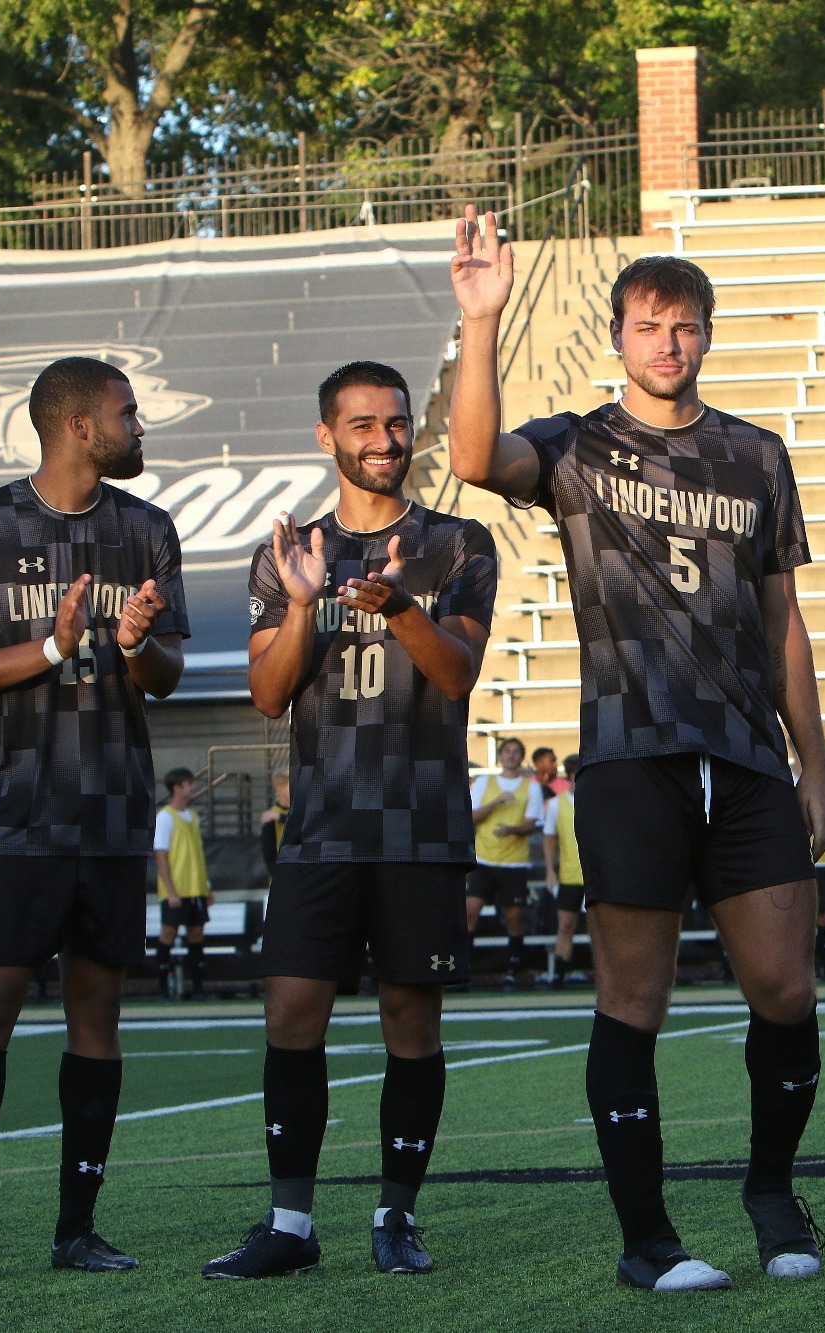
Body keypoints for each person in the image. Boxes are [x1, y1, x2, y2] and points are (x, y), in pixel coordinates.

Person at [449, 211, 825, 1290]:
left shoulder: (756, 454)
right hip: (629, 756)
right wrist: (480, 321)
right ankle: (647, 1239)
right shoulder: (576, 444)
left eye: (685, 325)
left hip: (747, 758)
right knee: (634, 999)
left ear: (707, 334)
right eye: (649, 324)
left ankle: (772, 1191)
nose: (668, 342)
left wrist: (814, 759)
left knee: (785, 990)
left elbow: (783, 621)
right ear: (618, 334)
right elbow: (473, 457)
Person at [201, 360, 495, 1279]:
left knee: (411, 1020)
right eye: (362, 425)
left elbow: (456, 675)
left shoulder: (458, 542)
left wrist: (400, 606)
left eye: (396, 422)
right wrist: (301, 604)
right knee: (291, 1010)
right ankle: (290, 1224)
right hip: (322, 825)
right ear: (326, 435)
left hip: (420, 822)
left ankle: (396, 1215)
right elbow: (267, 691)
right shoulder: (291, 551)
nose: (383, 440)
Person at [0, 355, 188, 1280]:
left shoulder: (147, 528)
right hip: (11, 812)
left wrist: (135, 644)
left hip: (111, 812)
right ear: (78, 425)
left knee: (97, 1016)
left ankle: (78, 1227)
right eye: (127, 411)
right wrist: (49, 646)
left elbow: (166, 674)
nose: (138, 425)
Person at [468, 736, 545, 990]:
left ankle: (514, 968)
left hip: (514, 863)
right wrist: (496, 802)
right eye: (507, 751)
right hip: (484, 860)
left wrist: (511, 829)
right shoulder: (484, 783)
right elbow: (472, 816)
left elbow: (530, 824)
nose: (511, 756)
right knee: (470, 912)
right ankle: (464, 969)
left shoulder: (531, 788)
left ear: (521, 757)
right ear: (500, 756)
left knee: (514, 917)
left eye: (516, 752)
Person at [155, 768, 212, 1000]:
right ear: (176, 788)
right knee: (168, 933)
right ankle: (163, 989)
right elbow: (161, 855)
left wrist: (206, 886)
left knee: (197, 934)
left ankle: (197, 988)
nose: (193, 787)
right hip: (177, 889)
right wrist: (170, 891)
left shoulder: (193, 817)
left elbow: (197, 854)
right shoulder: (165, 817)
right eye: (189, 784)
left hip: (195, 888)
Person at [792, 754, 825, 979]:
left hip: (820, 860)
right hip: (792, 861)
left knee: (823, 911)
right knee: (793, 914)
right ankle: (798, 969)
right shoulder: (783, 779)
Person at [542, 756, 587, 987]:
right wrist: (550, 870)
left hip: (596, 876)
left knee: (603, 929)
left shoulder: (598, 801)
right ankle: (559, 974)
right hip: (570, 876)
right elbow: (549, 837)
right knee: (566, 926)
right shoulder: (557, 804)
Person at [260, 771, 290, 886]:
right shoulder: (270, 819)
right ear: (279, 789)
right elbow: (269, 853)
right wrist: (277, 875)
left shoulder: (299, 811)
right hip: (283, 877)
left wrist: (280, 817)